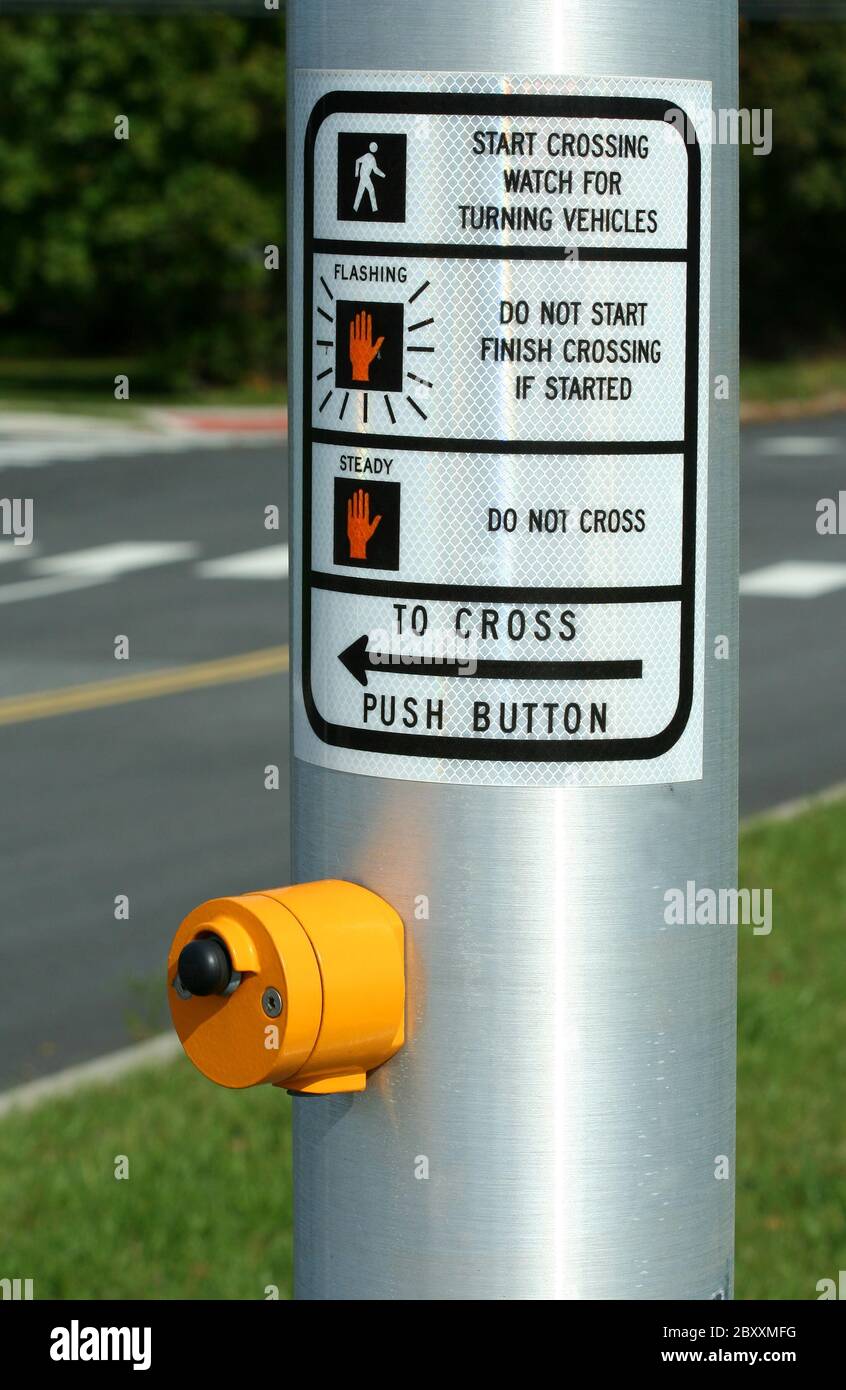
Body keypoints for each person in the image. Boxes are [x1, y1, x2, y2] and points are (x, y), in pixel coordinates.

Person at [354, 142, 386, 213]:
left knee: (361, 192)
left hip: (364, 176)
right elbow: (375, 170)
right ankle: (374, 210)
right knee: (371, 191)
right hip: (364, 177)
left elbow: (375, 170)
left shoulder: (370, 157)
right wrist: (383, 175)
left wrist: (357, 174)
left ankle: (355, 208)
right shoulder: (369, 156)